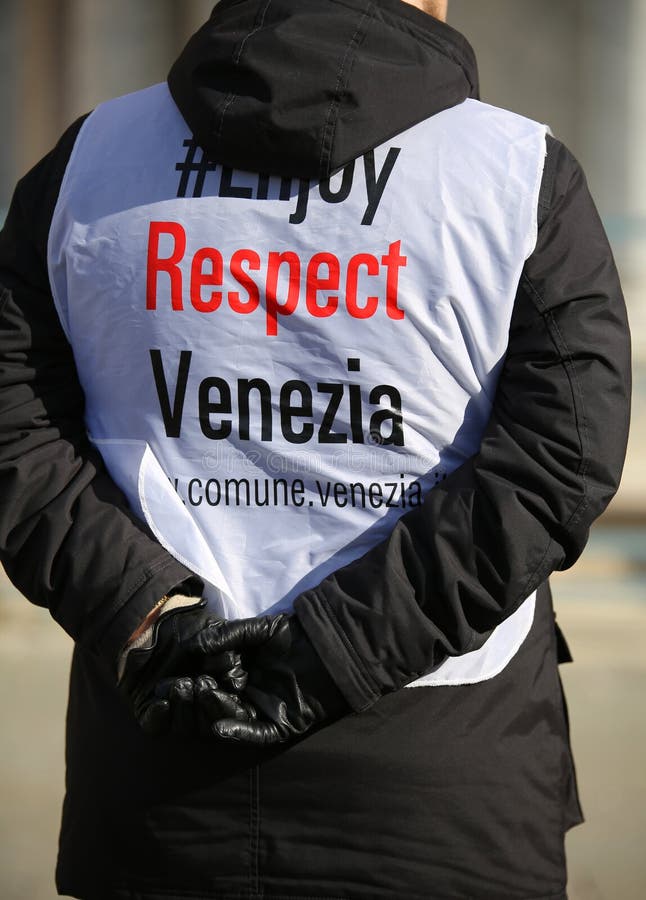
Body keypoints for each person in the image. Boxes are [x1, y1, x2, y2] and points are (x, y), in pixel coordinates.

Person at [0, 0, 631, 897]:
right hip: (444, 790)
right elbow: (562, 456)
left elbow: (14, 421)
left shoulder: (88, 161)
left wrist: (143, 616)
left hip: (157, 771)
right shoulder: (520, 175)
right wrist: (338, 653)